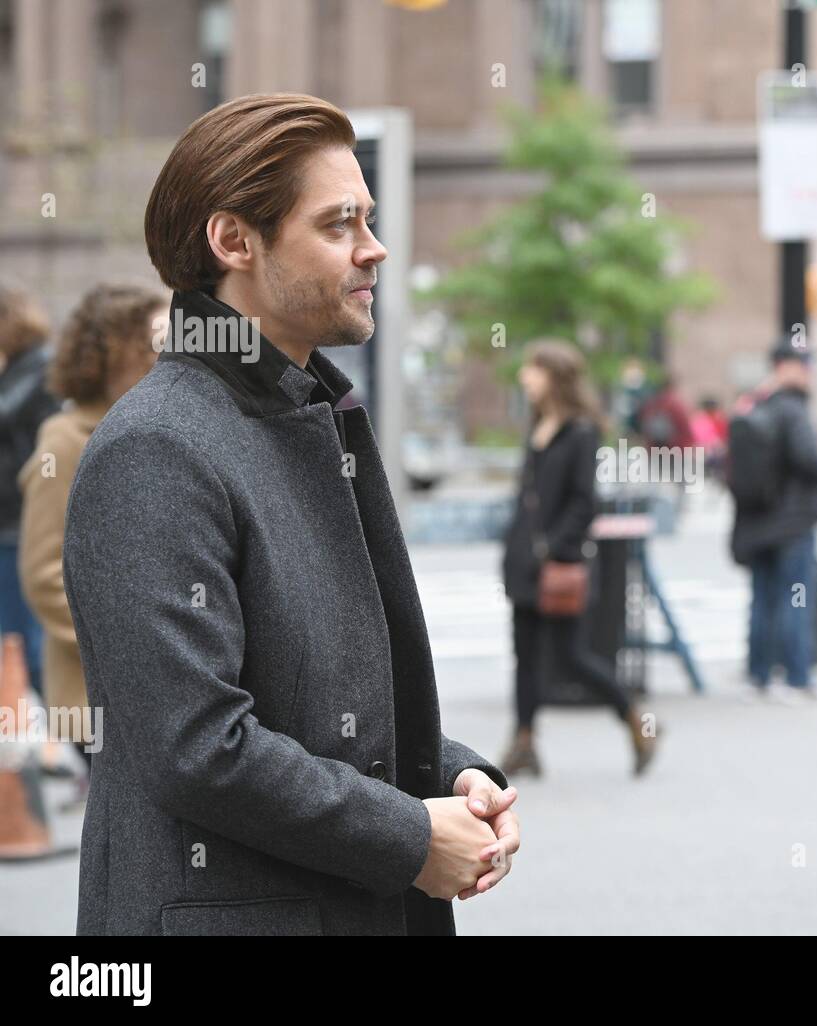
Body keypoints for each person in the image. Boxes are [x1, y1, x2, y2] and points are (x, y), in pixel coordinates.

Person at [61, 93, 518, 936]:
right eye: (339, 224)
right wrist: (411, 836)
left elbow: (318, 710)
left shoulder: (305, 410)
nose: (373, 249)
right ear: (234, 241)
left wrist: (448, 777)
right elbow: (197, 747)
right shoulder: (158, 446)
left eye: (368, 219)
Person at [18, 283, 166, 806]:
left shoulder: (158, 426)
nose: (167, 348)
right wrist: (140, 646)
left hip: (157, 689)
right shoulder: (66, 439)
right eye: (151, 338)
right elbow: (44, 573)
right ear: (109, 348)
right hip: (100, 696)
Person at [500, 339, 658, 777]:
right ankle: (524, 741)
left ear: (553, 375)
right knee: (525, 654)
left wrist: (552, 548)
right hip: (523, 562)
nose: (524, 377)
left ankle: (634, 716)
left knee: (571, 656)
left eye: (532, 369)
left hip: (557, 563)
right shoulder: (538, 426)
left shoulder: (581, 431)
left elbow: (583, 504)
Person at [729, 338, 817, 700]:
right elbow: (810, 460)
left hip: (757, 523)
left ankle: (759, 676)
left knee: (762, 600)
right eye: (804, 365)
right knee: (796, 599)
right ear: (785, 367)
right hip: (792, 524)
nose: (810, 373)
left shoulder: (753, 407)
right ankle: (797, 676)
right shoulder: (793, 411)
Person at [0, 284, 60, 700]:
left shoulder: (36, 370)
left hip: (18, 524)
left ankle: (51, 748)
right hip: (11, 523)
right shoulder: (19, 369)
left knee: (26, 645)